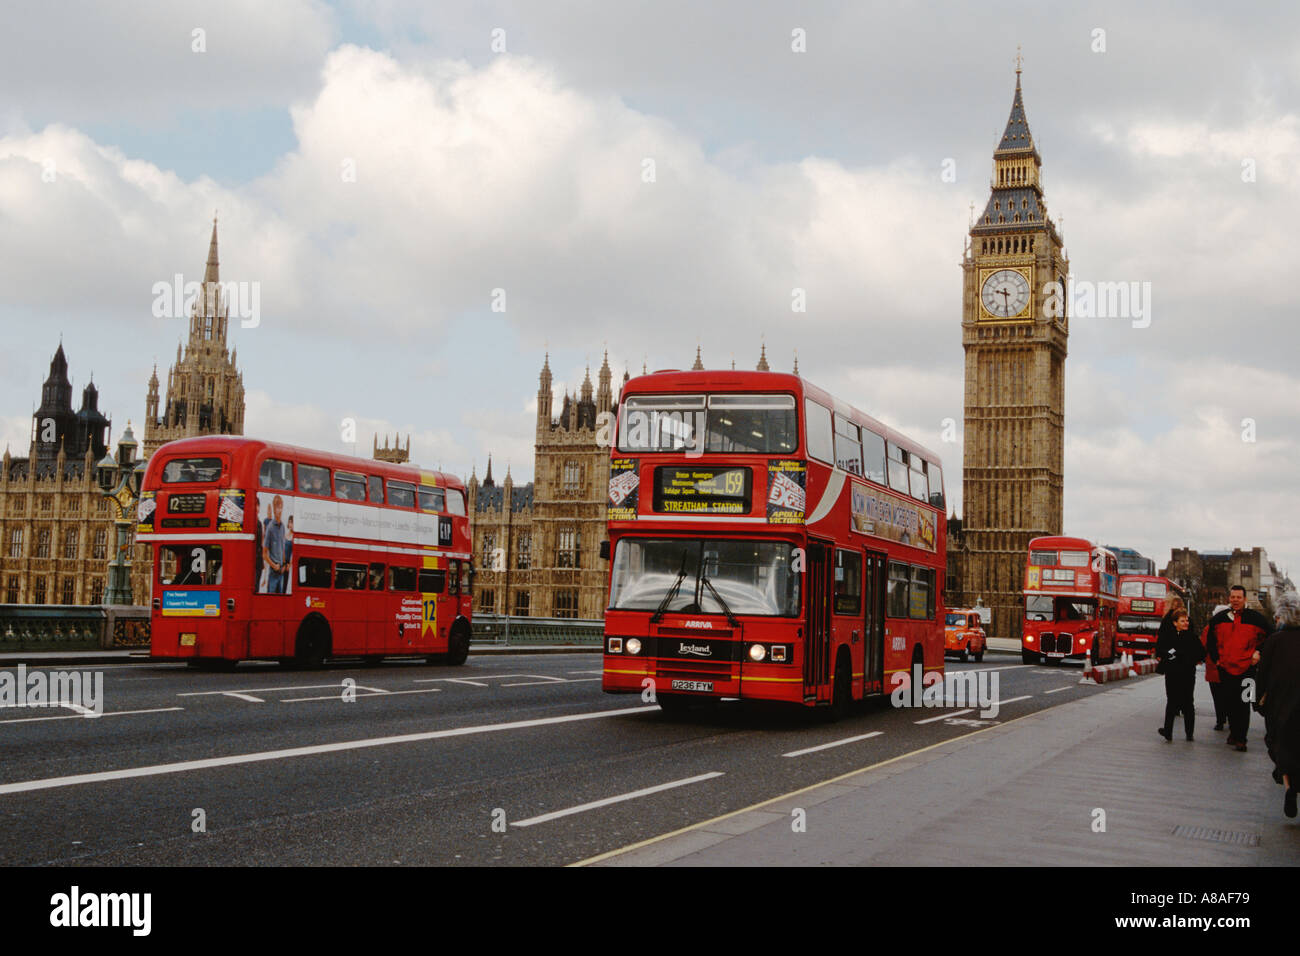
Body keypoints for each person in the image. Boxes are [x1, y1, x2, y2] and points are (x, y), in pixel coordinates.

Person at [1205, 586, 1271, 751]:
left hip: (1248, 670)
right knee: (1229, 703)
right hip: (1225, 669)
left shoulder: (1257, 619)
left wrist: (1258, 653)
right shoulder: (1219, 619)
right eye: (1232, 597)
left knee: (1244, 702)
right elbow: (1210, 641)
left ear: (1245, 599)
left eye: (1238, 597)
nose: (1235, 600)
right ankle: (1234, 733)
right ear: (1229, 598)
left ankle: (1241, 738)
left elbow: (1271, 637)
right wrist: (1216, 660)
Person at [1257, 590, 1300, 817]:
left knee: (1281, 744)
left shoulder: (1274, 640)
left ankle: (1289, 786)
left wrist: (1258, 700)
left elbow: (1262, 673)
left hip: (1280, 702)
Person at [1156, 609, 1205, 741]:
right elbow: (1160, 651)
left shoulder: (1192, 637)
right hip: (1173, 674)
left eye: (1187, 620)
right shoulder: (1169, 637)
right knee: (1173, 702)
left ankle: (1187, 732)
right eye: (1182, 621)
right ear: (1175, 623)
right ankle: (1170, 731)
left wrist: (1185, 658)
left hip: (1186, 674)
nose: (1186, 623)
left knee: (1187, 703)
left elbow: (1202, 654)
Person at [263, 495, 288, 594]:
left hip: (281, 571)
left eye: (281, 507)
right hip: (274, 572)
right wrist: (274, 566)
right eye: (277, 507)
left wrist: (284, 564)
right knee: (270, 599)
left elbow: (283, 548)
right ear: (274, 509)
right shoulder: (270, 528)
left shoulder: (283, 527)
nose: (279, 510)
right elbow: (264, 554)